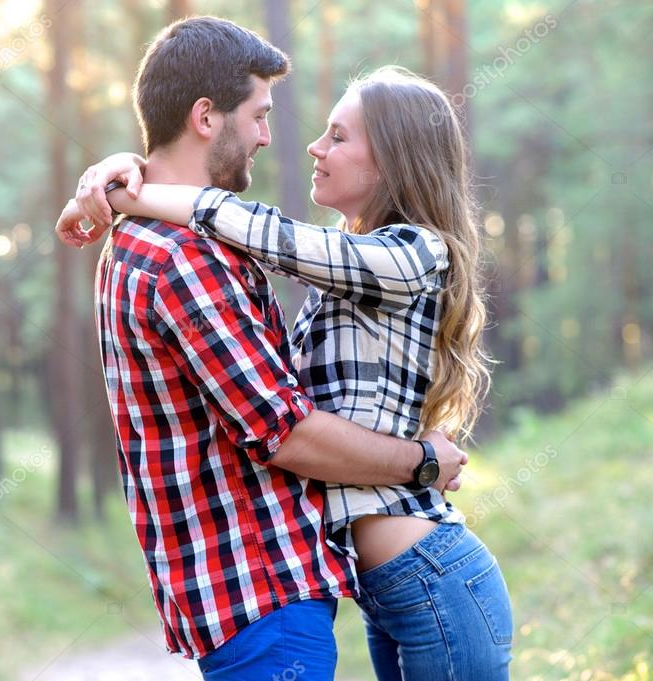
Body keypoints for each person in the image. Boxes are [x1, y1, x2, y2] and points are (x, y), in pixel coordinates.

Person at [59, 65, 513, 679]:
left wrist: (125, 191)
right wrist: (126, 171)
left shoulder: (412, 255)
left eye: (339, 136)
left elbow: (265, 233)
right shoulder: (345, 269)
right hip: (390, 590)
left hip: (432, 573)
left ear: (391, 162)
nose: (312, 146)